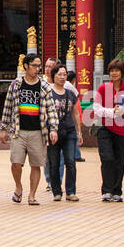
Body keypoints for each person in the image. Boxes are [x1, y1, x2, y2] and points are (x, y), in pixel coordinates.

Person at [0, 54, 60, 205]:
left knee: (35, 164)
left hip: (38, 131)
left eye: (39, 66)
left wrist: (53, 128)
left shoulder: (44, 86)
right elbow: (8, 106)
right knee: (16, 163)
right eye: (34, 65)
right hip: (19, 130)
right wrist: (3, 128)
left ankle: (32, 195)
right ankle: (18, 187)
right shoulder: (16, 84)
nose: (38, 69)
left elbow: (51, 109)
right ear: (26, 66)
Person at [92, 57, 124, 202]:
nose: (114, 73)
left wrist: (123, 110)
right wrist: (111, 112)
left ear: (122, 72)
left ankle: (117, 191)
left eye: (117, 70)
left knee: (120, 161)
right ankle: (107, 190)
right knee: (107, 159)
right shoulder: (103, 88)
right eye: (112, 70)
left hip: (122, 131)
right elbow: (96, 108)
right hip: (105, 128)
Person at [47, 63, 81, 201]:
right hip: (53, 133)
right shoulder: (48, 94)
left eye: (64, 74)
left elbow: (76, 113)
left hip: (69, 131)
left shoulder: (70, 93)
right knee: (54, 163)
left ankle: (71, 192)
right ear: (53, 76)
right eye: (59, 74)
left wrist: (79, 132)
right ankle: (56, 192)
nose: (62, 77)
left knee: (71, 162)